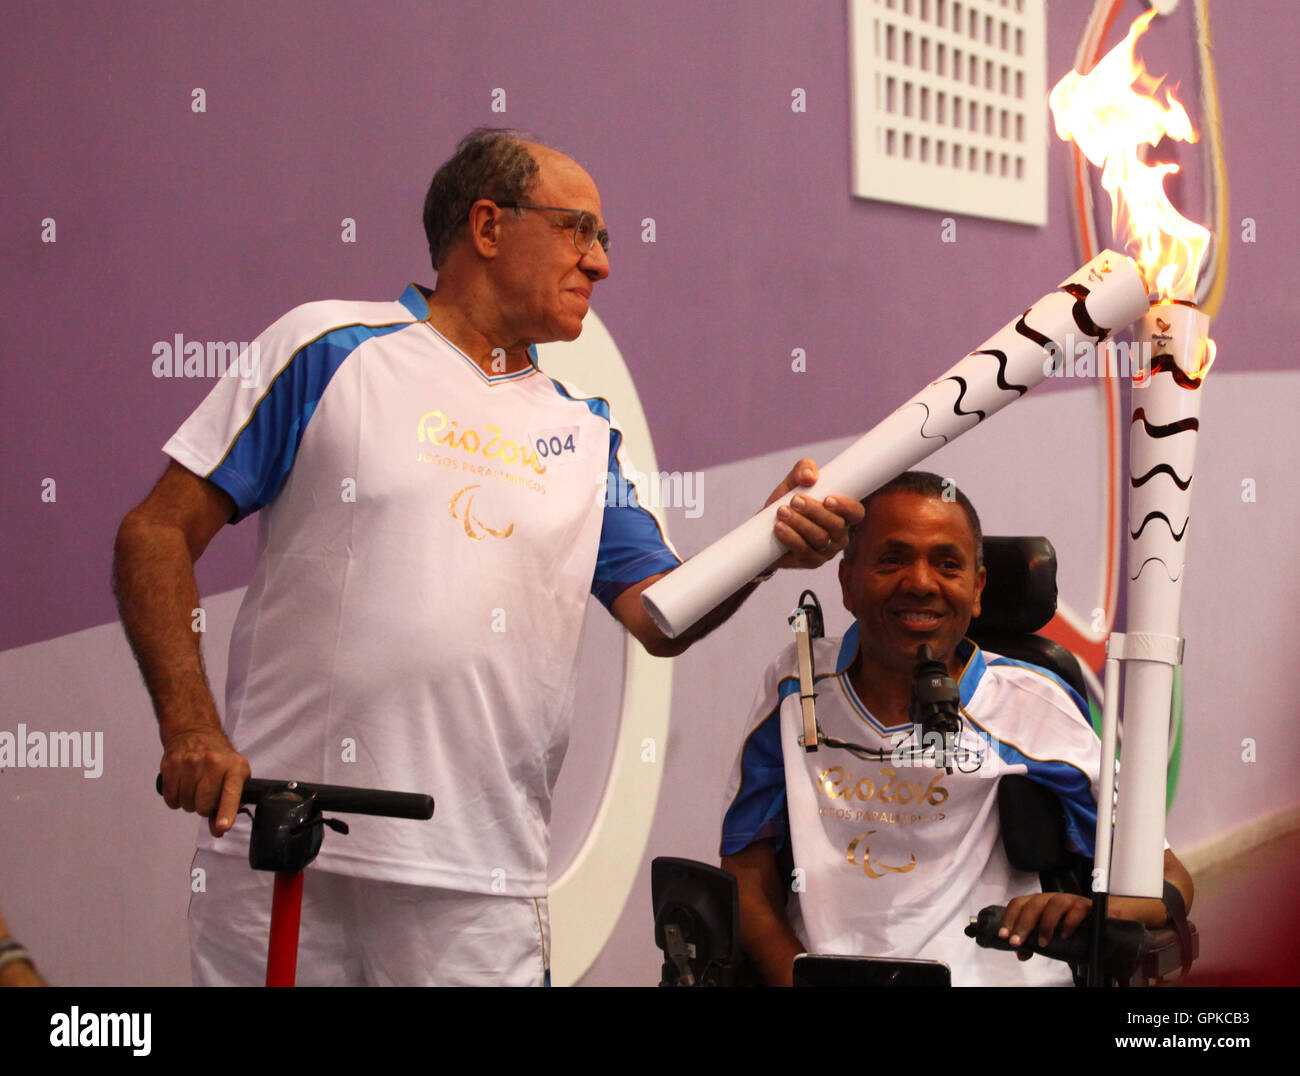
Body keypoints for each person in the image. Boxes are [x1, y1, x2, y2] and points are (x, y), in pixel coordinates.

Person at [113, 128, 864, 986]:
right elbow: (156, 532)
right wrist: (192, 730)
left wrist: (763, 543)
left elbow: (660, 615)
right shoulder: (328, 350)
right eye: (581, 230)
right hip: (287, 851)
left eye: (606, 240)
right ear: (488, 225)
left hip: (479, 878)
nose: (602, 264)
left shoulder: (582, 431)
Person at [720, 471, 1193, 986]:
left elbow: (1170, 880)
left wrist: (1100, 912)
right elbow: (745, 873)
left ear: (977, 590)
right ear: (847, 582)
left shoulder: (1032, 703)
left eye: (947, 564)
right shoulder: (798, 685)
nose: (921, 583)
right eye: (892, 560)